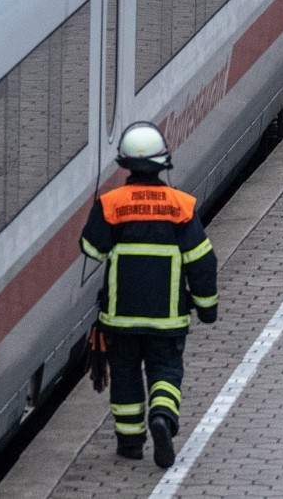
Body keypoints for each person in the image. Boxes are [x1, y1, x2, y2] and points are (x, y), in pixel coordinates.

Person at [80, 122, 218, 467]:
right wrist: (207, 306)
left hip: (120, 319)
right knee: (166, 370)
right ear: (163, 163)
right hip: (167, 318)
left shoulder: (110, 204)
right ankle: (162, 417)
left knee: (125, 377)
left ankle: (129, 443)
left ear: (125, 163)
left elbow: (91, 249)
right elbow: (203, 262)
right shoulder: (181, 206)